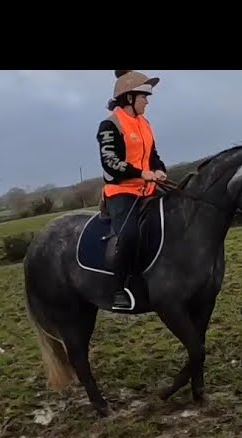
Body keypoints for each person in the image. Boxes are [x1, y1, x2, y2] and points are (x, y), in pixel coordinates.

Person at [97, 70, 167, 311]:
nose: (147, 101)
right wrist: (141, 173)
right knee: (129, 236)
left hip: (148, 189)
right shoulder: (110, 124)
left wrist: (159, 170)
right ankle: (118, 289)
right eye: (144, 96)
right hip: (121, 193)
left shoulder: (144, 123)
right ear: (129, 98)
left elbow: (153, 156)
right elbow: (110, 163)